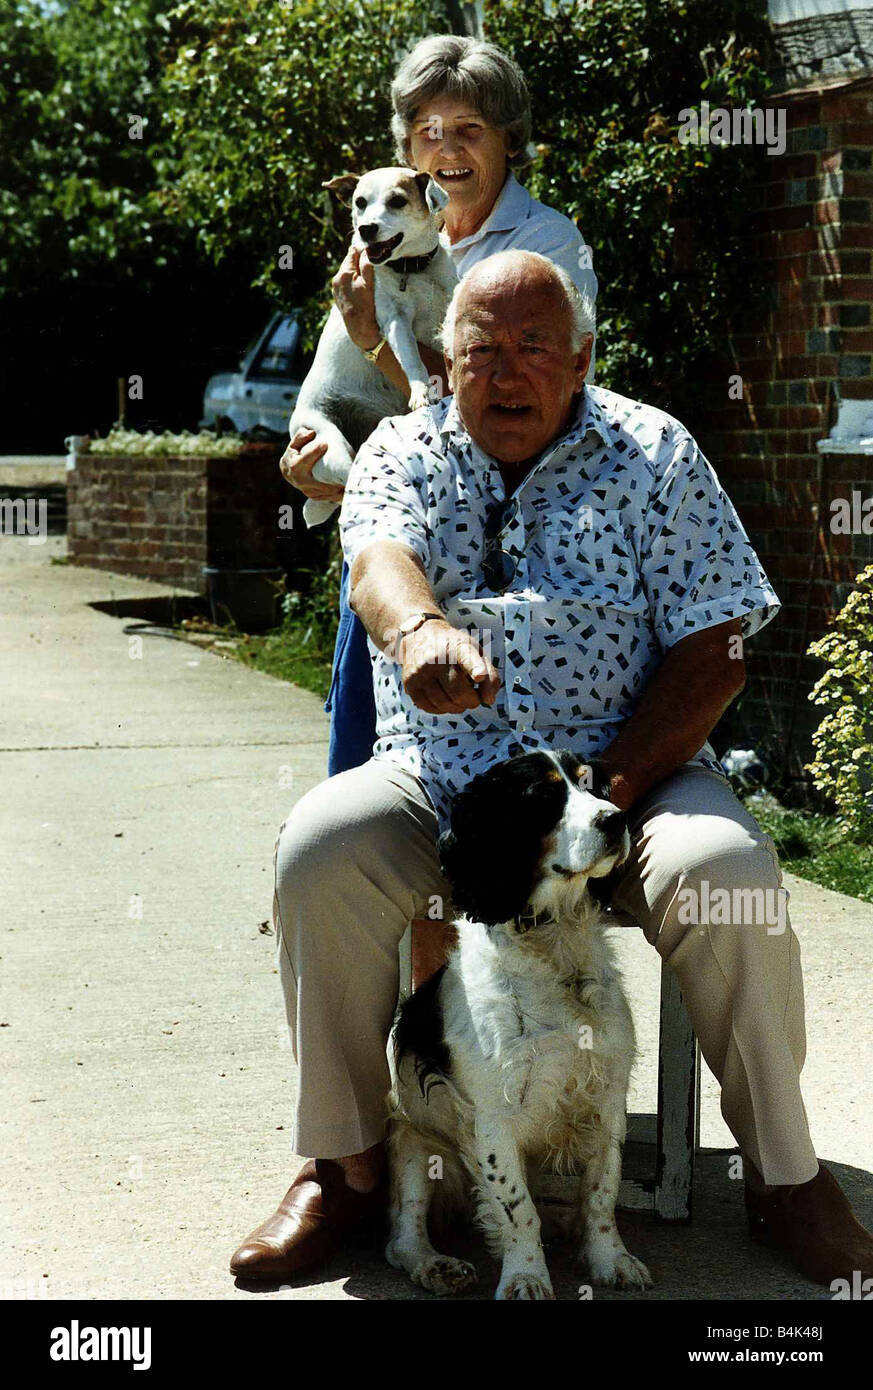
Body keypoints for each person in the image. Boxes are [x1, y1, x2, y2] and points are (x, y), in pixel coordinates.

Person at [230, 250, 873, 1287]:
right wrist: (422, 632)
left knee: (730, 874)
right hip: (446, 779)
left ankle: (786, 1178)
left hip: (635, 775)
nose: (508, 370)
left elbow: (719, 647)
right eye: (482, 348)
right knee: (319, 847)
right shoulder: (403, 447)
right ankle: (346, 1168)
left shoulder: (654, 452)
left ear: (580, 359)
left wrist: (609, 788)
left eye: (535, 346)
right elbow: (377, 564)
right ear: (443, 361)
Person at [280, 33, 598, 776]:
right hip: (395, 556)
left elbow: (509, 402)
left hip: (512, 561)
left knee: (509, 787)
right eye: (426, 130)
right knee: (371, 785)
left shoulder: (546, 246)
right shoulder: (386, 236)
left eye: (468, 130)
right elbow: (351, 393)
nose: (444, 148)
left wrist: (372, 339)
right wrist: (318, 467)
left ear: (509, 142)